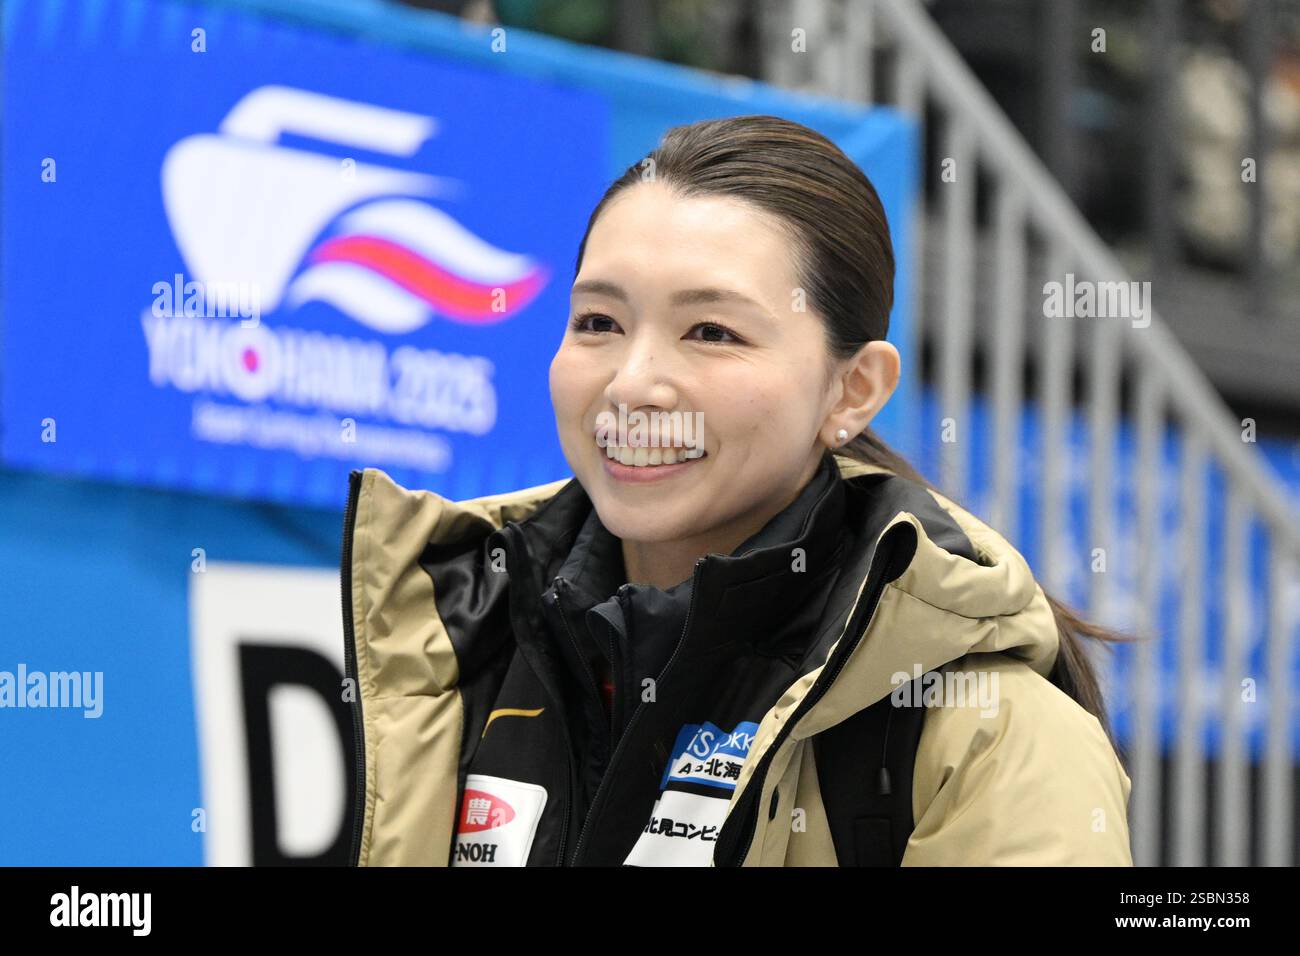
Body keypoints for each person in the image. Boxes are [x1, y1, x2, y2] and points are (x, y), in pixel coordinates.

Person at [340, 114, 1135, 866]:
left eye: (712, 332)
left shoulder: (990, 738)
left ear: (852, 390)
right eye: (597, 322)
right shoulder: (454, 649)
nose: (632, 383)